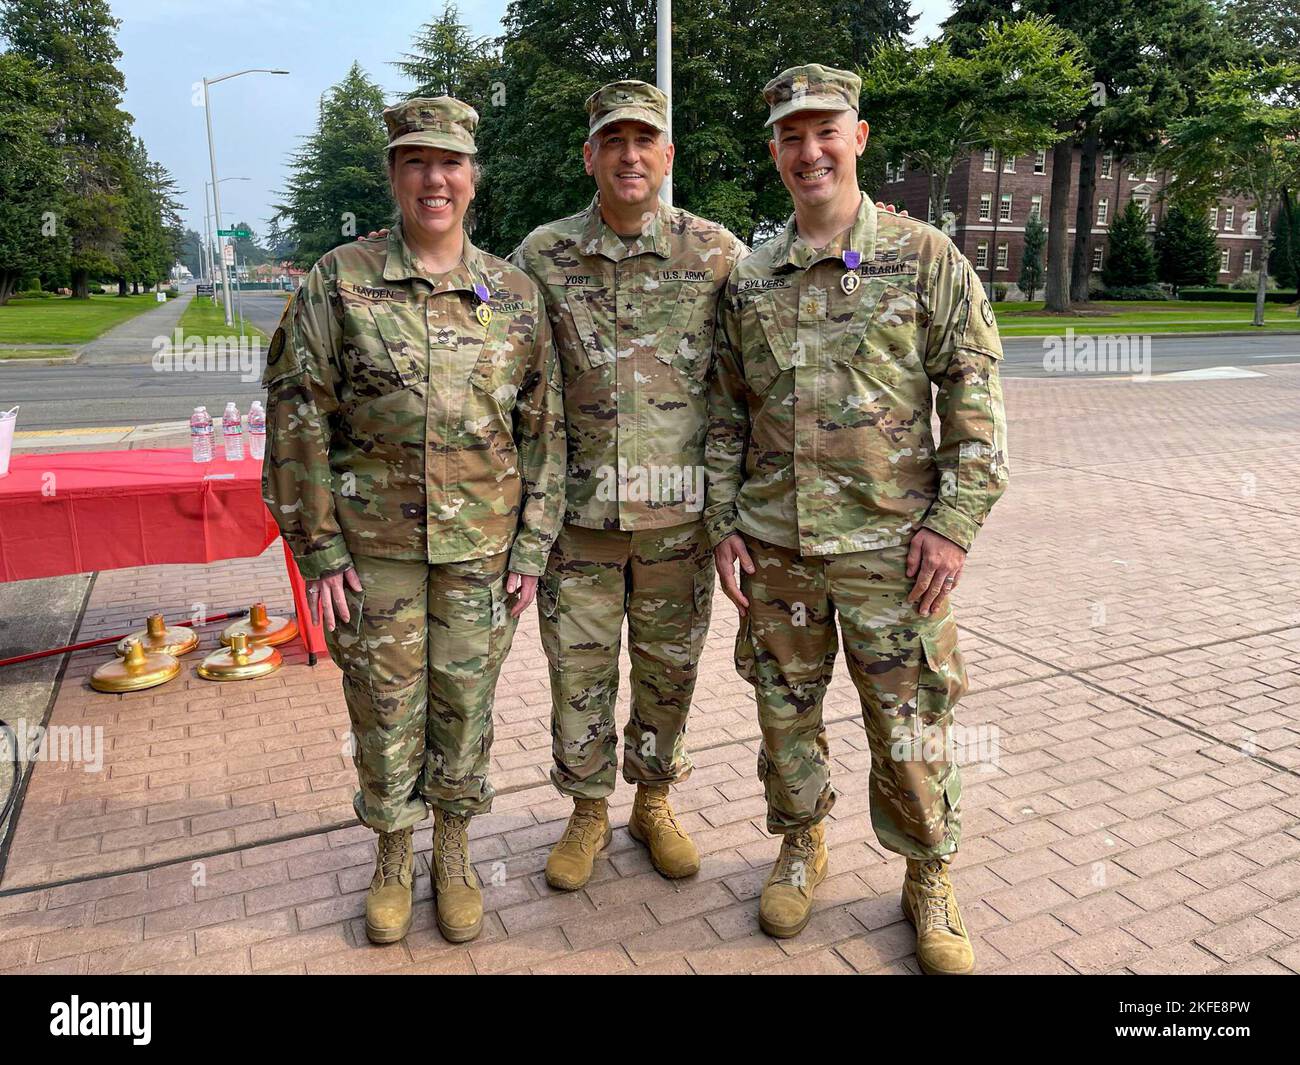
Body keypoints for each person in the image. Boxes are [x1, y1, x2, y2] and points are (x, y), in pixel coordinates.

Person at [705, 65, 1009, 973]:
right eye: (792, 137)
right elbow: (724, 411)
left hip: (893, 551)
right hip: (779, 550)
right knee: (784, 715)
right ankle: (800, 843)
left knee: (910, 720)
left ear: (859, 137)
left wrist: (954, 523)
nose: (810, 151)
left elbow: (975, 397)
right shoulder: (749, 279)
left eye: (825, 131)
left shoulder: (926, 259)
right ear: (775, 152)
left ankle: (927, 872)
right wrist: (724, 518)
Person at [261, 96, 565, 945]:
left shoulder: (512, 293)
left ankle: (456, 848)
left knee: (465, 704)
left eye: (451, 162)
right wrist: (317, 547)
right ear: (394, 175)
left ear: (472, 177)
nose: (436, 178)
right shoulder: (340, 279)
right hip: (375, 550)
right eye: (416, 162)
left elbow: (545, 429)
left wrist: (534, 543)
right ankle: (395, 851)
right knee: (385, 706)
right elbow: (296, 413)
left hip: (481, 552)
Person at [509, 81, 748, 891]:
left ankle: (653, 799)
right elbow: (508, 381)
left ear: (667, 155)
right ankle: (584, 811)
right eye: (614, 141)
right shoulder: (542, 257)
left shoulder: (717, 254)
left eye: (645, 140)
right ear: (591, 157)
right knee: (577, 673)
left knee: (667, 670)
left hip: (678, 524)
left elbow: (741, 389)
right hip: (576, 522)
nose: (630, 155)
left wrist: (730, 515)